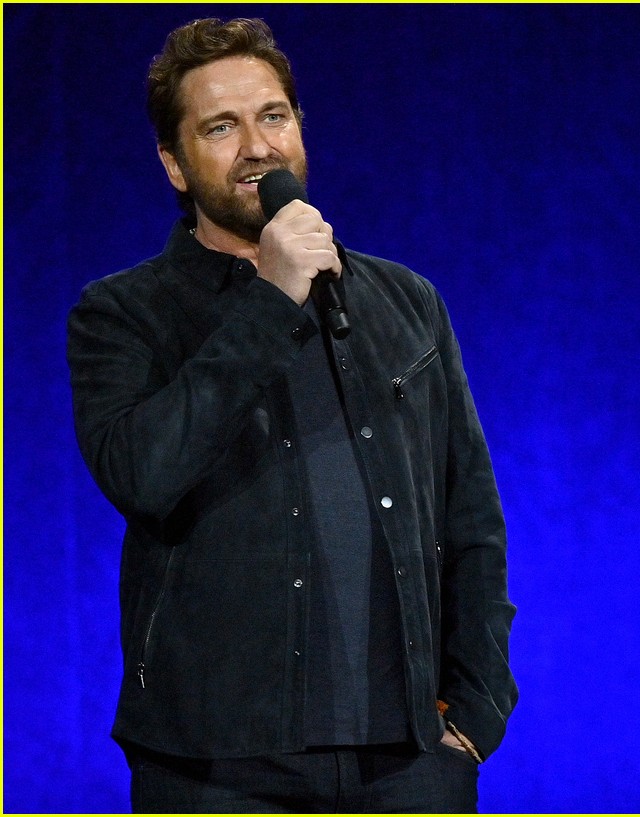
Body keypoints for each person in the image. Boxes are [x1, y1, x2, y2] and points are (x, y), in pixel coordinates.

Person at [67, 17, 516, 813]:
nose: (258, 147)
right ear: (174, 164)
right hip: (215, 766)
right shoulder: (122, 314)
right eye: (220, 127)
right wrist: (271, 299)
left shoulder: (406, 301)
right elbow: (145, 473)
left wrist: (476, 713)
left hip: (410, 761)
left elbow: (471, 517)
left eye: (273, 117)